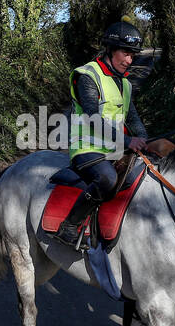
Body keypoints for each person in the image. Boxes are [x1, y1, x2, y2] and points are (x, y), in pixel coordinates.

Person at [54, 21, 149, 248]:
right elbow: (93, 119)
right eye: (125, 53)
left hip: (114, 148)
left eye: (132, 56)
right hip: (87, 148)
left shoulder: (124, 83)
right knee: (107, 179)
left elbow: (132, 118)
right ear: (110, 49)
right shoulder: (87, 75)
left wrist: (144, 138)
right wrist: (128, 141)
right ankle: (69, 225)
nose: (129, 61)